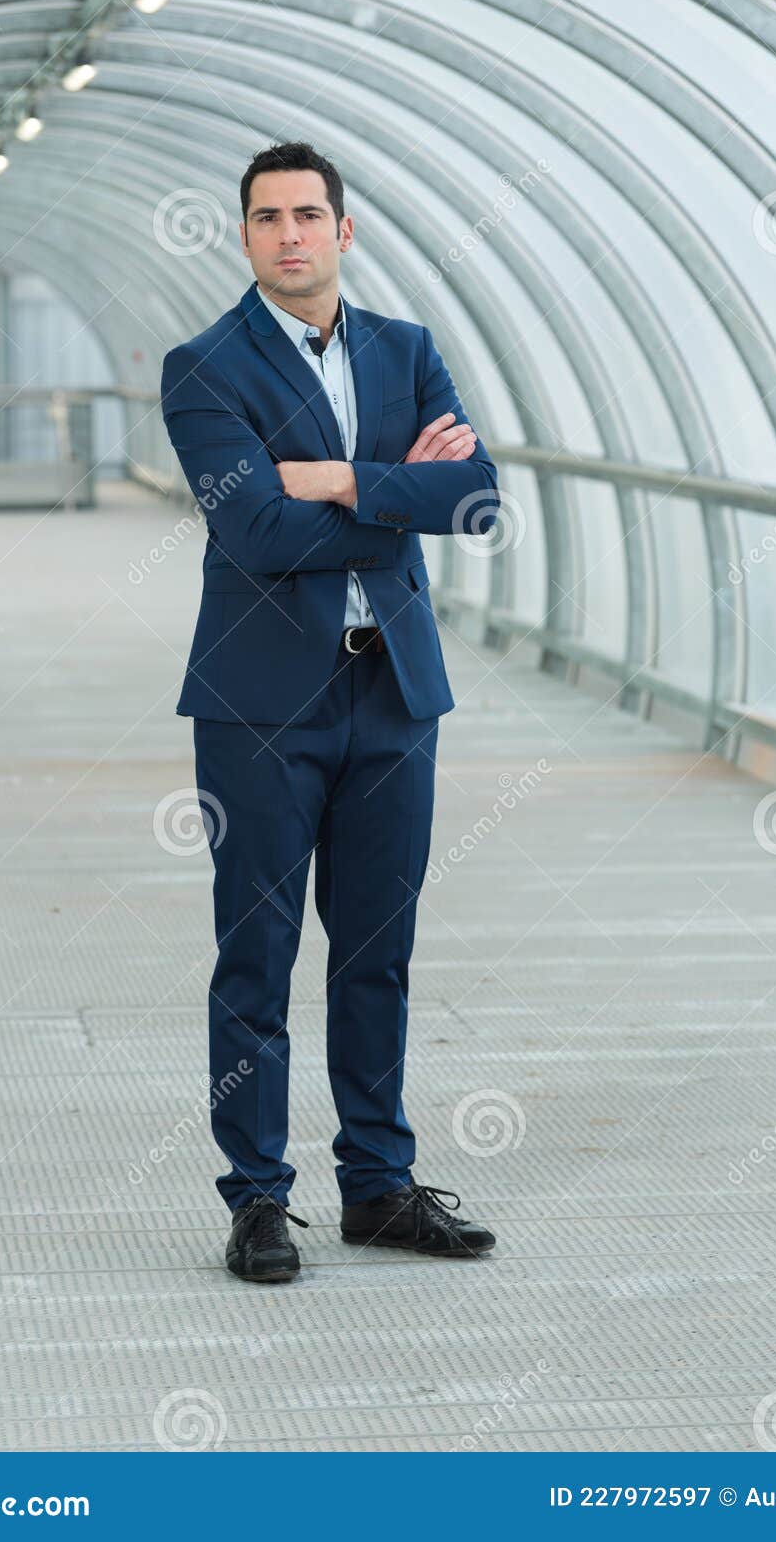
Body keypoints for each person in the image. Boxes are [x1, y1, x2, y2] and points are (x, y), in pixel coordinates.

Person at [161, 141, 500, 1283]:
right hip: (260, 706)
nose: (291, 234)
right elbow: (251, 531)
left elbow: (476, 494)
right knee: (253, 955)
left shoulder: (407, 350)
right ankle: (257, 1196)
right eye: (268, 217)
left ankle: (379, 1185)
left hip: (393, 694)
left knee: (377, 952)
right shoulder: (202, 368)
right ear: (245, 235)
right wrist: (395, 484)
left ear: (343, 231)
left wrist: (328, 474)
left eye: (310, 214)